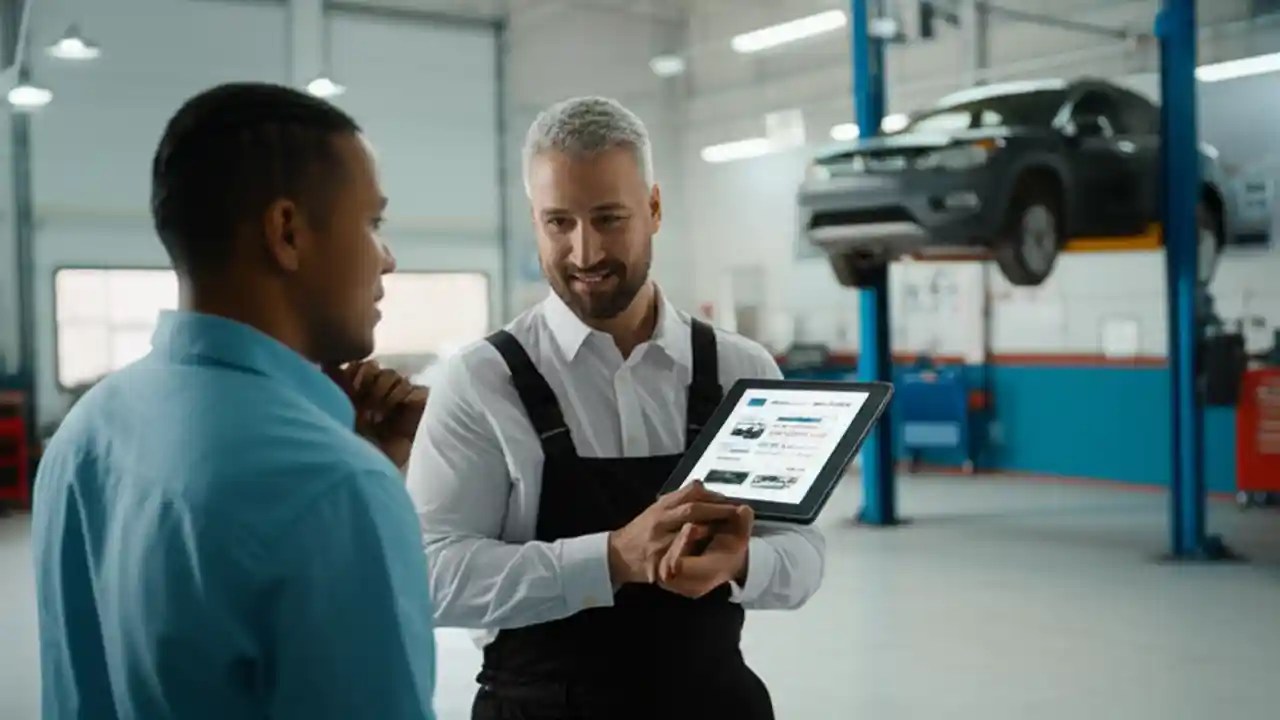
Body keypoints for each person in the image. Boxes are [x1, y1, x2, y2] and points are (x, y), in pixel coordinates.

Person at [407, 96, 825, 719]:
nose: (584, 254)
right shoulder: (480, 382)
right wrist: (610, 558)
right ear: (535, 219)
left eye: (608, 219)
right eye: (559, 223)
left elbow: (802, 556)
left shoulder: (746, 373)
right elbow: (432, 577)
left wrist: (741, 561)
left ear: (654, 209)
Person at [31, 82, 437, 720]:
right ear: (287, 232)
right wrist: (358, 483)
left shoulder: (88, 429)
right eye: (372, 222)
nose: (386, 258)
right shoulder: (333, 488)